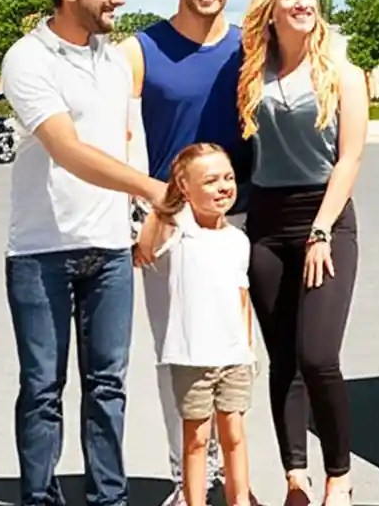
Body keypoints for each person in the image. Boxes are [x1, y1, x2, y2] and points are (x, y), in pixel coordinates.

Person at [0, 0, 167, 506]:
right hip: (40, 251)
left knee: (108, 387)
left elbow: (129, 139)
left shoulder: (114, 61)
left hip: (110, 250)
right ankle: (40, 498)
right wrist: (150, 187)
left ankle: (108, 498)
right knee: (43, 389)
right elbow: (66, 150)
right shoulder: (27, 58)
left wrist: (143, 214)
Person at [123, 0, 252, 506]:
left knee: (237, 352)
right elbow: (123, 134)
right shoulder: (141, 50)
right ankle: (187, 479)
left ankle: (232, 478)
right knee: (177, 352)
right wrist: (149, 214)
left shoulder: (251, 47)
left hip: (239, 217)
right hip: (170, 224)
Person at [236, 0, 368, 506]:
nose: (301, 2)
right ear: (270, 9)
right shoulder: (252, 72)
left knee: (318, 356)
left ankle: (340, 473)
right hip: (266, 222)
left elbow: (351, 156)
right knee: (283, 359)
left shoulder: (342, 71)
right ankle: (296, 476)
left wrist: (320, 231)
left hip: (325, 218)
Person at [146, 143, 254, 506]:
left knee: (234, 435)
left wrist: (248, 351)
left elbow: (243, 298)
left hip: (234, 357)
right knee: (196, 438)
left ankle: (239, 499)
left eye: (228, 178)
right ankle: (196, 500)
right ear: (185, 187)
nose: (223, 187)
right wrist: (168, 199)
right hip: (192, 359)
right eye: (210, 181)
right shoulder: (177, 230)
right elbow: (145, 247)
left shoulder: (238, 240)